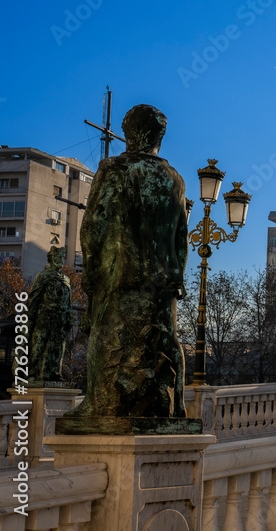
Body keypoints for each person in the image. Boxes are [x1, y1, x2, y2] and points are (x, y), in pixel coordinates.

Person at [65, 104, 189, 421]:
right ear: (160, 135)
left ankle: (101, 404)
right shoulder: (175, 179)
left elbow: (94, 226)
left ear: (128, 133)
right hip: (164, 283)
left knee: (108, 339)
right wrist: (178, 279)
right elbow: (180, 239)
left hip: (123, 277)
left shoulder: (114, 169)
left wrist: (92, 273)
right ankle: (165, 404)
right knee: (161, 342)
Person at [26, 246, 74, 384]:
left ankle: (53, 372)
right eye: (57, 257)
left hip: (60, 319)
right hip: (44, 317)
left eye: (61, 257)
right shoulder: (43, 276)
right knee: (38, 344)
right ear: (51, 259)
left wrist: (69, 317)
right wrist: (29, 317)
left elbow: (69, 302)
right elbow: (34, 298)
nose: (60, 260)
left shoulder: (66, 279)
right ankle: (33, 373)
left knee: (57, 346)